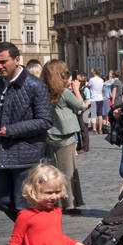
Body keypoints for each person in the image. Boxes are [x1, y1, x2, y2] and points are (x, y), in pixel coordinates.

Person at [0, 42, 53, 222]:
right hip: (1, 155)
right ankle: (32, 235)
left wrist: (12, 130)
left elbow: (45, 121)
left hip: (26, 155)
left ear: (17, 60)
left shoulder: (35, 85)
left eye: (3, 62)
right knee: (3, 202)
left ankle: (32, 243)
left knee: (23, 205)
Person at [42, 60, 89, 212]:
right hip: (65, 135)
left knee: (54, 168)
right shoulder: (64, 92)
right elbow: (81, 106)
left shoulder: (44, 90)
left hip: (50, 133)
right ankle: (69, 203)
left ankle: (56, 200)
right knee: (69, 170)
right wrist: (77, 89)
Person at [87, 68, 105, 134]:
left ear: (94, 72)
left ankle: (94, 129)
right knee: (100, 114)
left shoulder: (91, 80)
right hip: (100, 98)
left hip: (93, 98)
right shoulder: (101, 80)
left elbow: (88, 86)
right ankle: (100, 129)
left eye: (92, 71)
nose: (91, 72)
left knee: (93, 115)